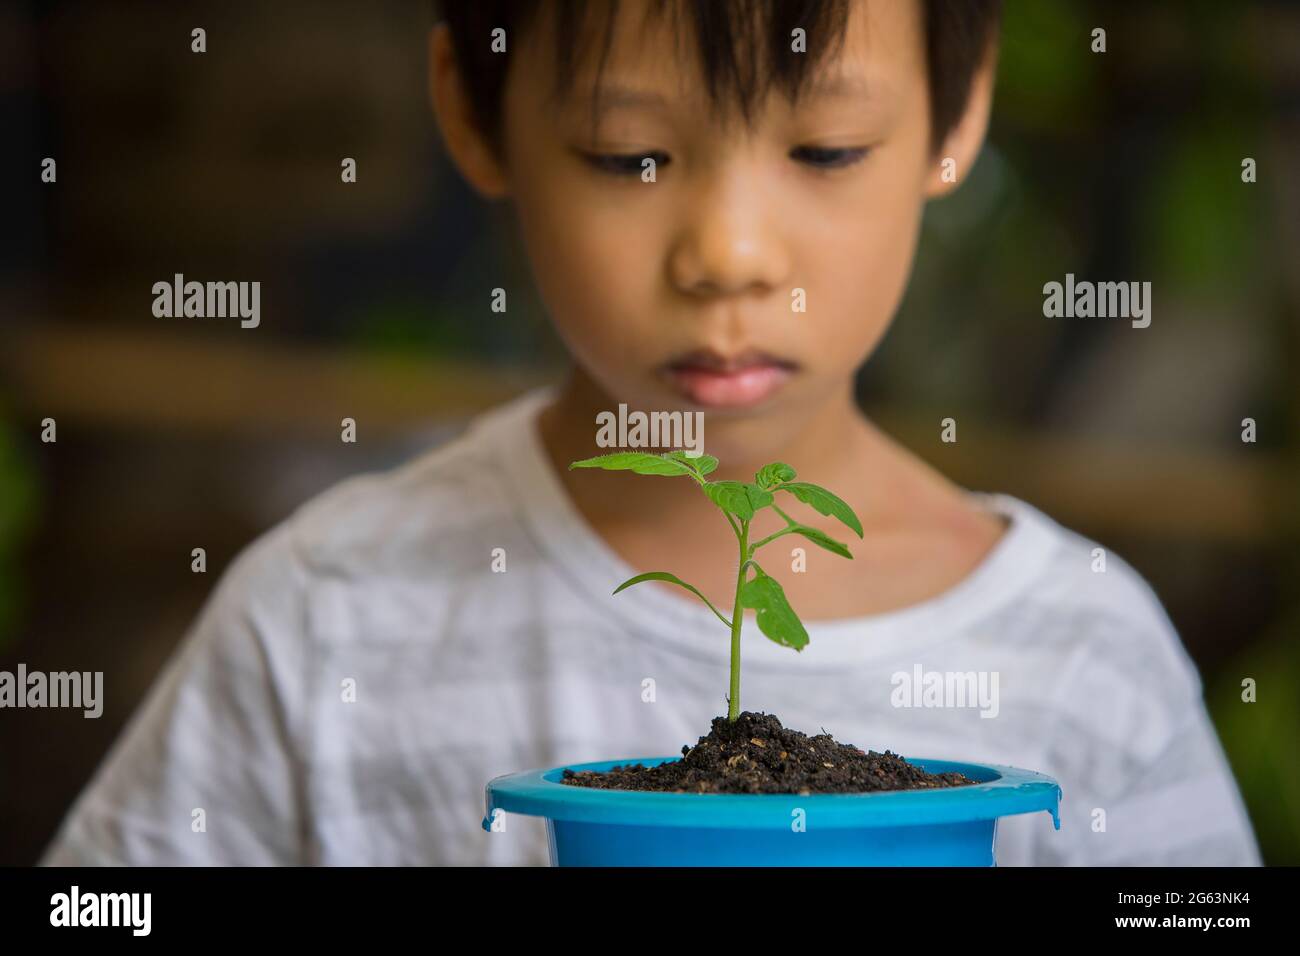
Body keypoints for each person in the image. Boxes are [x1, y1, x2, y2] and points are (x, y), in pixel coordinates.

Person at [41, 0, 1261, 865]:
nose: (727, 251)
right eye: (628, 155)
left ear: (957, 113)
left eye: (826, 148)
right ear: (472, 109)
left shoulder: (1086, 657)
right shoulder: (324, 613)